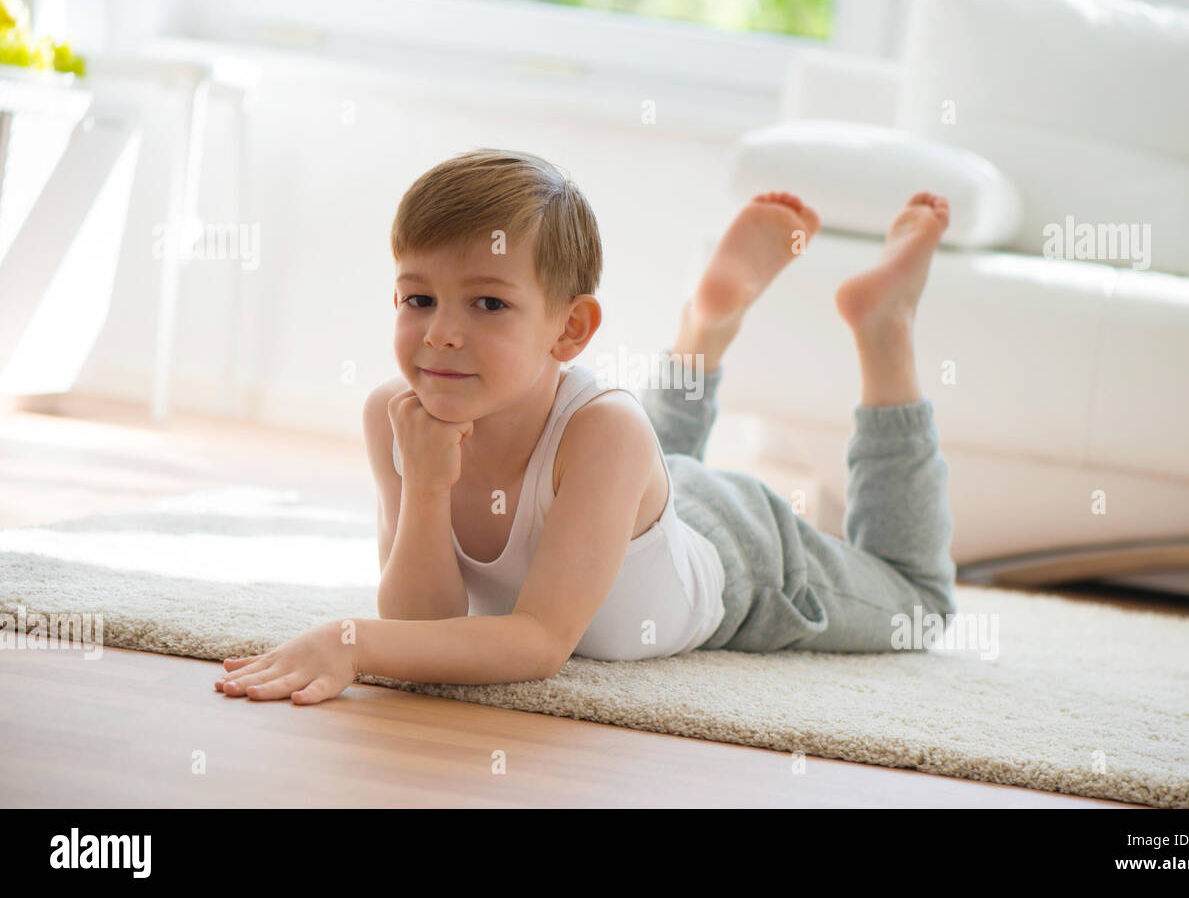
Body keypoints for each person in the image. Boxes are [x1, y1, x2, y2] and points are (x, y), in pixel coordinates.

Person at [214, 148, 957, 704]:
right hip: (623, 507)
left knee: (919, 604)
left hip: (741, 553)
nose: (439, 332)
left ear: (571, 330)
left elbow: (540, 640)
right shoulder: (393, 414)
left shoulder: (606, 433)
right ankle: (703, 328)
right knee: (640, 458)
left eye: (488, 304)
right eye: (417, 298)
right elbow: (424, 622)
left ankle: (884, 328)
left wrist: (352, 639)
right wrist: (429, 485)